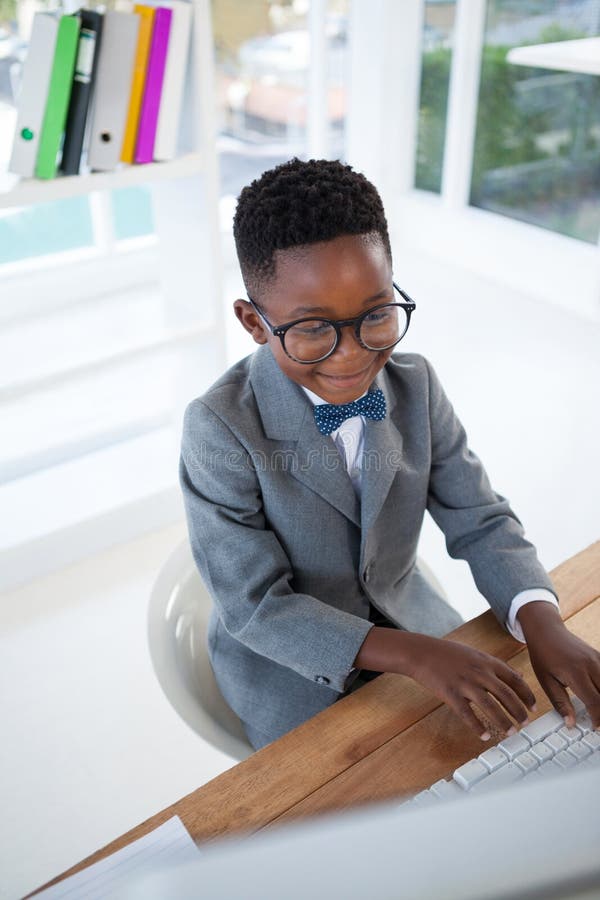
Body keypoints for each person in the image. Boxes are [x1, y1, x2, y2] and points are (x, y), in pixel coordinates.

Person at [179, 158, 600, 751]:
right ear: (253, 322)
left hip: (415, 625)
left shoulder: (415, 386)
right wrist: (414, 656)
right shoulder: (219, 427)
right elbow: (255, 607)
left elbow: (480, 519)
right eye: (312, 330)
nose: (351, 356)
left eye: (376, 316)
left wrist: (542, 620)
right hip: (292, 675)